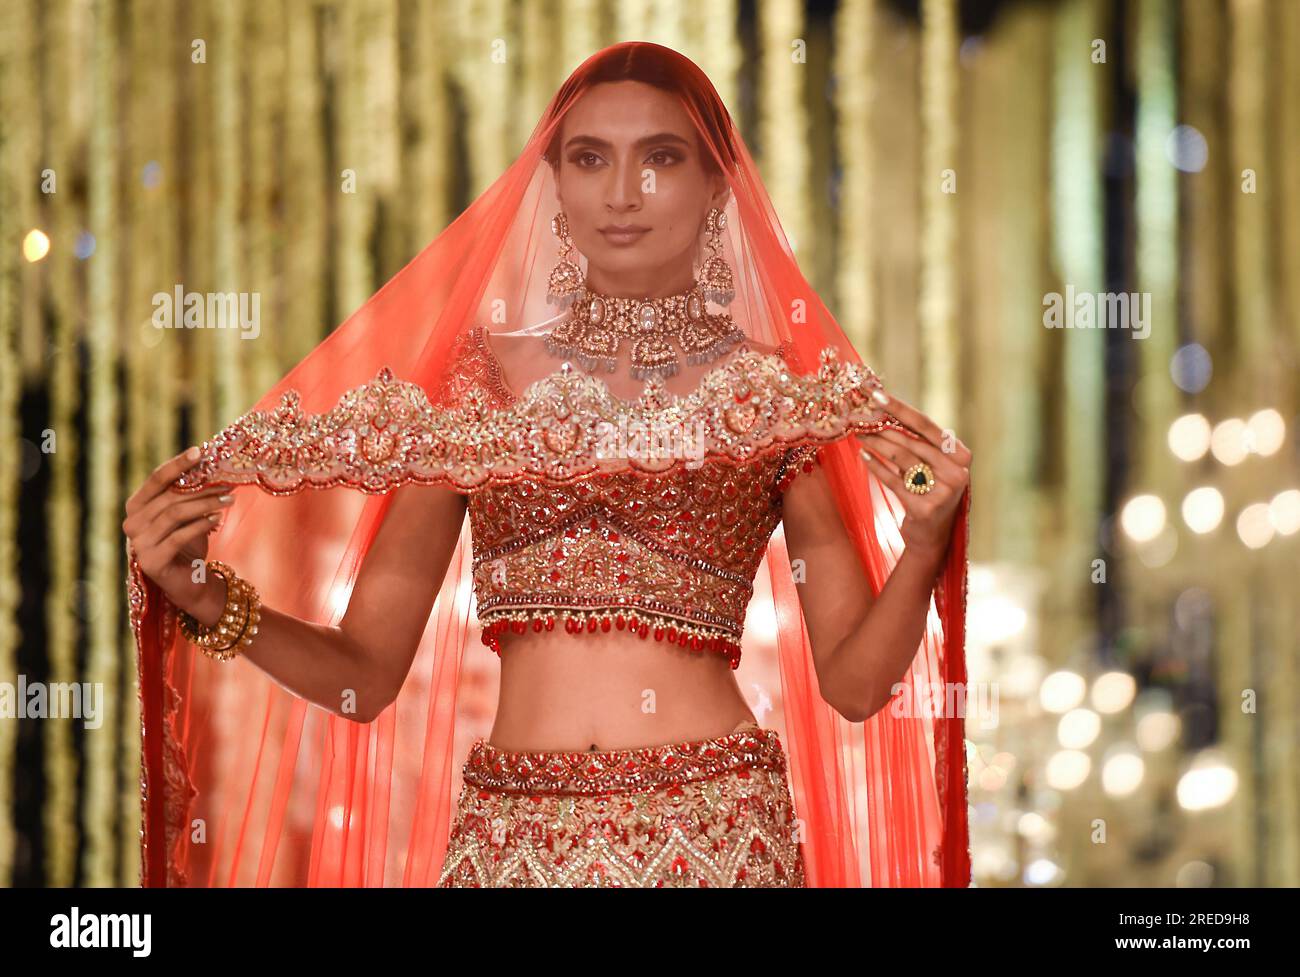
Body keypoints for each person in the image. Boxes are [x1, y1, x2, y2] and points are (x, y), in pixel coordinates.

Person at [124, 41, 972, 888]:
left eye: (661, 159)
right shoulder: (480, 383)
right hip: (511, 843)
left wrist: (925, 546)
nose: (621, 193)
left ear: (718, 187)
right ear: (556, 185)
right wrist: (206, 598)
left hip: (715, 836)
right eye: (589, 158)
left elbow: (857, 685)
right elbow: (365, 674)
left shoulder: (770, 396)